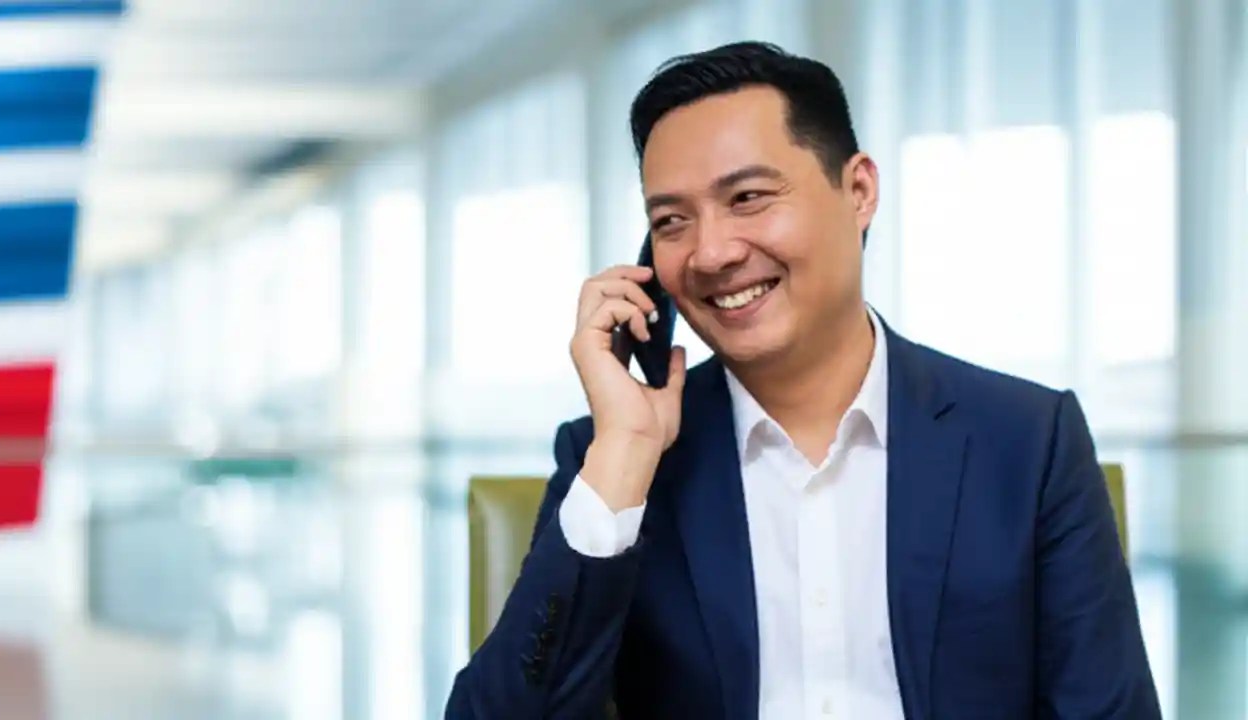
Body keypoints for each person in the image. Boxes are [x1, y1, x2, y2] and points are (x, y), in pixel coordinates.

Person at [445, 41, 1160, 719]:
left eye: (749, 197)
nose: (713, 252)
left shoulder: (1027, 442)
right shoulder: (615, 461)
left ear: (858, 191)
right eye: (671, 221)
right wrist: (624, 458)